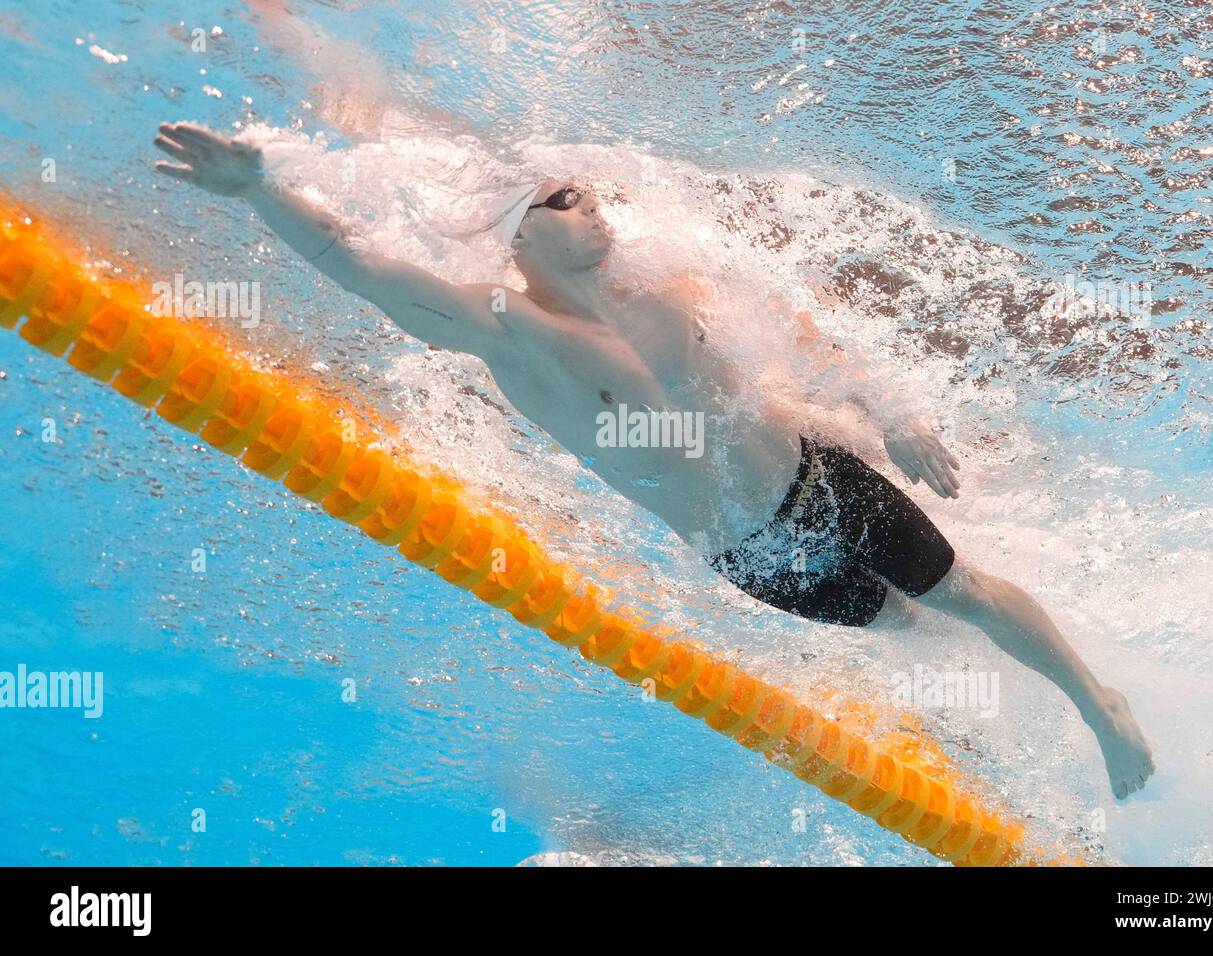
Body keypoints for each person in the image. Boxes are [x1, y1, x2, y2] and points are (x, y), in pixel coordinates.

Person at [153, 121, 1154, 799]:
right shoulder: (509, 333)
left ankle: (1096, 706)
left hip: (821, 472)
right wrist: (260, 193)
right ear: (517, 231)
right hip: (757, 550)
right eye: (563, 201)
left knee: (966, 592)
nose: (595, 212)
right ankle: (991, 772)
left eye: (588, 195)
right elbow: (359, 265)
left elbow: (800, 338)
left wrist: (887, 412)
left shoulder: (662, 278)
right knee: (910, 635)